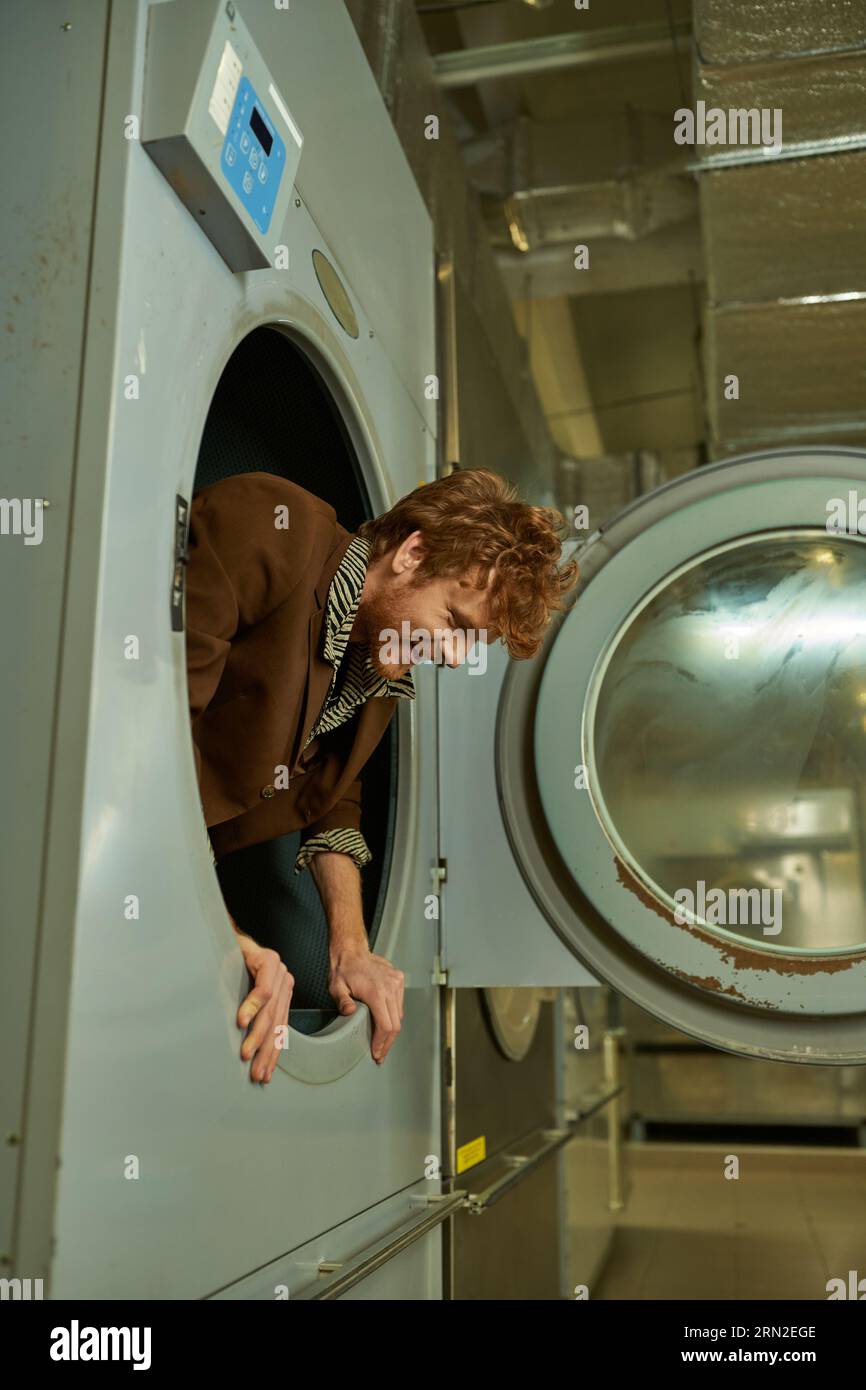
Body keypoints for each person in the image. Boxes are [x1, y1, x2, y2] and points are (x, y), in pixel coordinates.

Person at [185, 467, 578, 1083]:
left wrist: (351, 947)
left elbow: (331, 801)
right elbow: (145, 742)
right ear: (412, 553)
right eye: (456, 623)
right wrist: (225, 936)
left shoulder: (378, 666)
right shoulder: (272, 525)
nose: (455, 657)